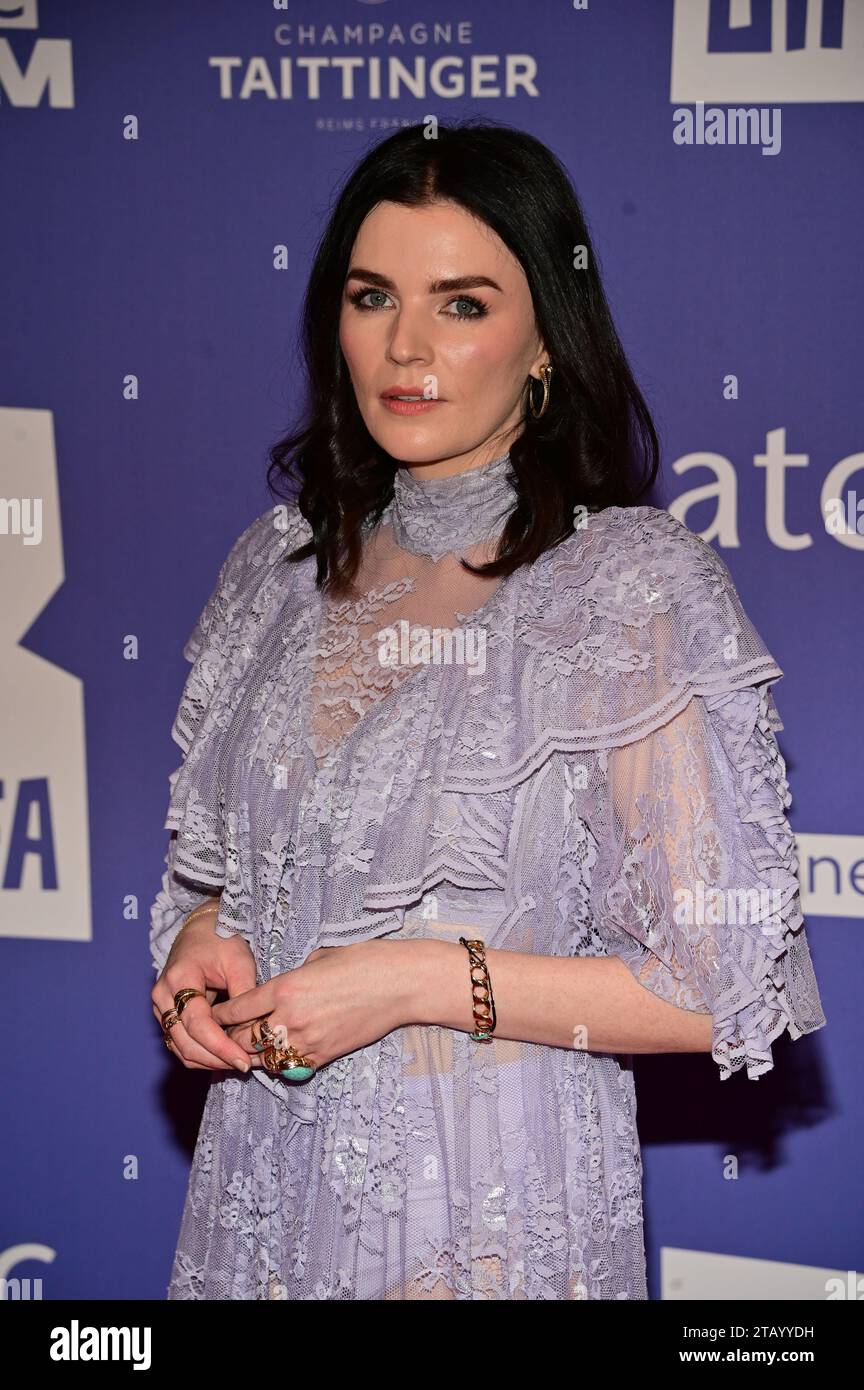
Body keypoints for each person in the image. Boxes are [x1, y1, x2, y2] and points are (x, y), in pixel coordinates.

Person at [149, 120, 826, 1301]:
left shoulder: (625, 587)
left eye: (461, 304)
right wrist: (205, 944)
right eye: (372, 296)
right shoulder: (274, 569)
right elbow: (216, 868)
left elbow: (720, 982)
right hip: (263, 1199)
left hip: (485, 1220)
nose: (406, 346)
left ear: (545, 345)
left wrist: (412, 978)